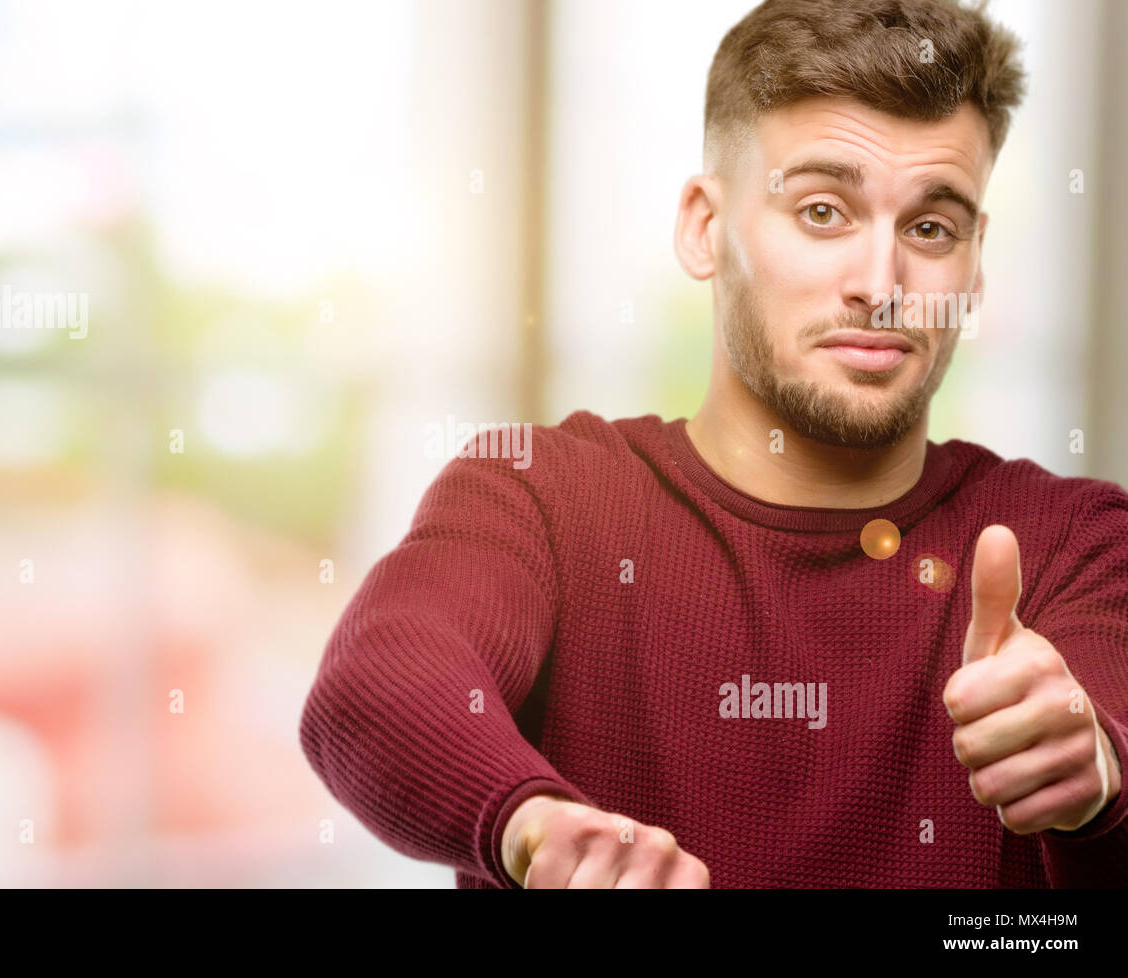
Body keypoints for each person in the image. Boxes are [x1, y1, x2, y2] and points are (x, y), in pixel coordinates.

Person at [299, 0, 1128, 887]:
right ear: (704, 228)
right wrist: (531, 825)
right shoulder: (538, 492)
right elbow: (377, 684)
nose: (881, 287)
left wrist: (1097, 779)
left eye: (931, 228)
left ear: (975, 262)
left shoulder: (1076, 540)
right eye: (822, 211)